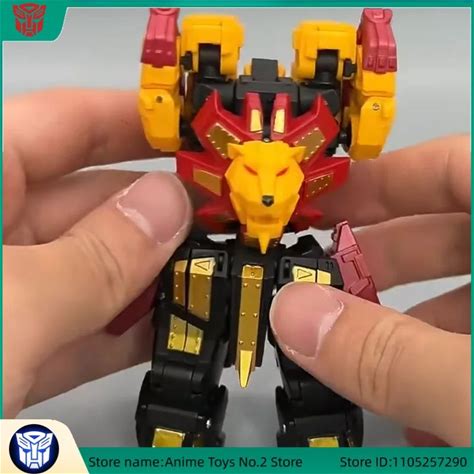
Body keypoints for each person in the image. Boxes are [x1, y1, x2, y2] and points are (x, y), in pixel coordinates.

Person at [4, 88, 470, 447]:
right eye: (252, 177)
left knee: (319, 395)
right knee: (180, 370)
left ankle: (320, 434)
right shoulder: (197, 258)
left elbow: (362, 299)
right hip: (207, 290)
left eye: (280, 178)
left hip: (292, 297)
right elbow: (144, 301)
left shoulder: (311, 263)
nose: (266, 194)